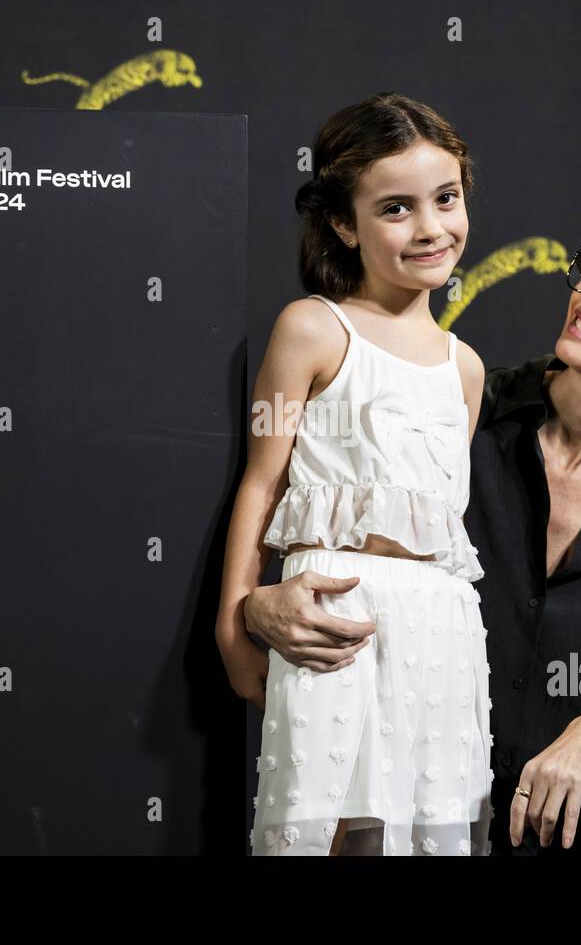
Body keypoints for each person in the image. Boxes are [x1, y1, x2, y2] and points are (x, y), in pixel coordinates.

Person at [244, 206, 581, 855]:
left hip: (573, 821)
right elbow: (330, 521)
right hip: (427, 787)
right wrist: (259, 605)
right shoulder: (456, 416)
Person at [214, 92, 493, 856]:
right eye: (397, 208)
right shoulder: (312, 328)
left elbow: (438, 522)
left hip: (443, 636)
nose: (432, 228)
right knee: (331, 830)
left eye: (446, 198)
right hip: (335, 626)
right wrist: (235, 617)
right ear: (345, 223)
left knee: (432, 831)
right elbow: (261, 482)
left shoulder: (464, 368)